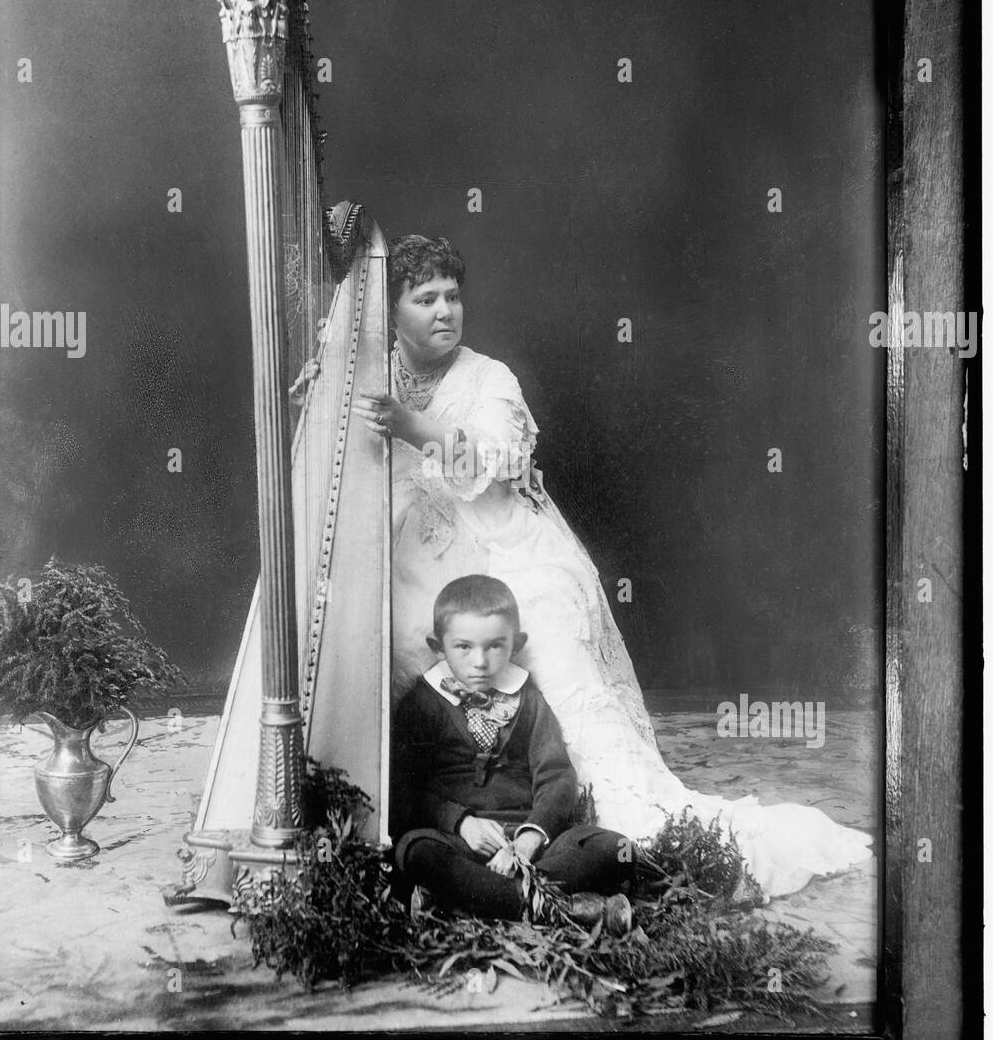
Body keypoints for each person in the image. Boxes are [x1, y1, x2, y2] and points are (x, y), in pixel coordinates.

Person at [356, 234, 873, 900]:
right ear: (390, 311)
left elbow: (491, 465)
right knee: (387, 631)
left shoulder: (490, 379)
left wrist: (410, 426)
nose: (443, 310)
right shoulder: (371, 371)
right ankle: (434, 801)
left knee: (539, 624)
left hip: (503, 544)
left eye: (452, 295)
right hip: (417, 553)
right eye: (423, 297)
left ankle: (580, 814)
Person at [390, 573, 633, 930]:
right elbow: (405, 787)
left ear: (515, 644)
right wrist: (461, 822)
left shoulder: (529, 699)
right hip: (458, 841)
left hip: (529, 846)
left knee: (616, 848)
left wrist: (530, 838)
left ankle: (482, 901)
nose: (480, 661)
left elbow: (556, 775)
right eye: (464, 647)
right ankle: (563, 907)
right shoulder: (422, 703)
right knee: (417, 852)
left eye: (494, 646)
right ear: (438, 646)